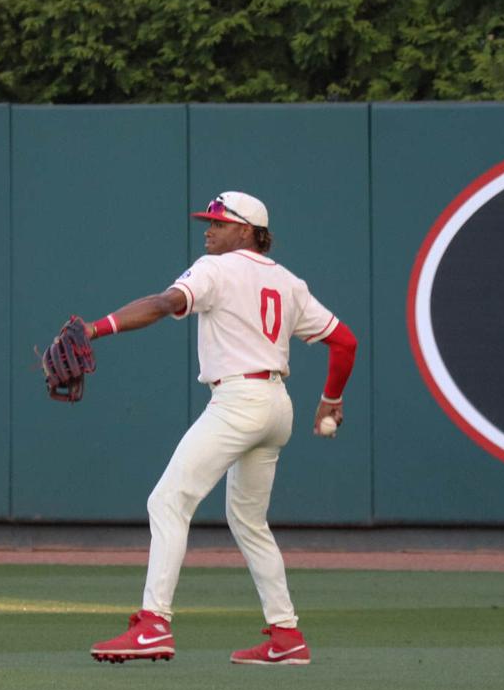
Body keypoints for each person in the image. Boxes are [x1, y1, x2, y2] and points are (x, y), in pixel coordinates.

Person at [84, 191, 357, 665]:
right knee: (250, 522)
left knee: (168, 501)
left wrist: (95, 328)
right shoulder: (290, 283)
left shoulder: (216, 269)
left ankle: (154, 625)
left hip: (238, 401)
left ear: (247, 230)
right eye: (207, 222)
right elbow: (345, 341)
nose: (208, 230)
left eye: (218, 222)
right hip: (277, 406)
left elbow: (164, 303)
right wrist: (330, 399)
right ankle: (286, 636)